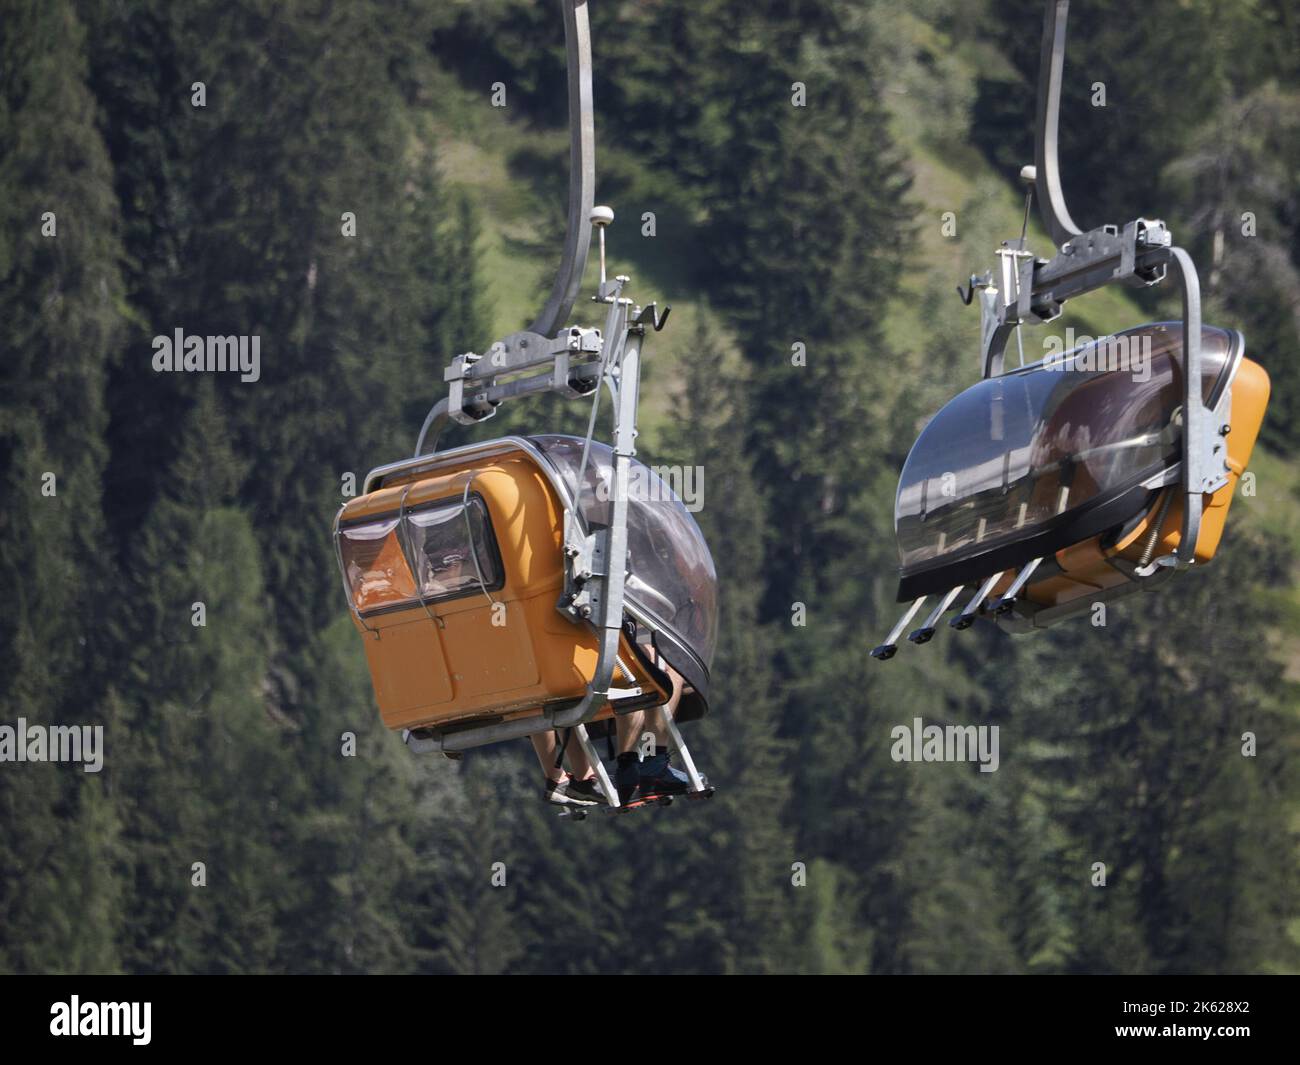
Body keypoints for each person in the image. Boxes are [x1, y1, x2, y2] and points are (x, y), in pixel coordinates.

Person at [531, 658, 696, 808]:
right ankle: (649, 760)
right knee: (657, 667)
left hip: (529, 682)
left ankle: (576, 777)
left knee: (542, 691)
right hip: (582, 670)